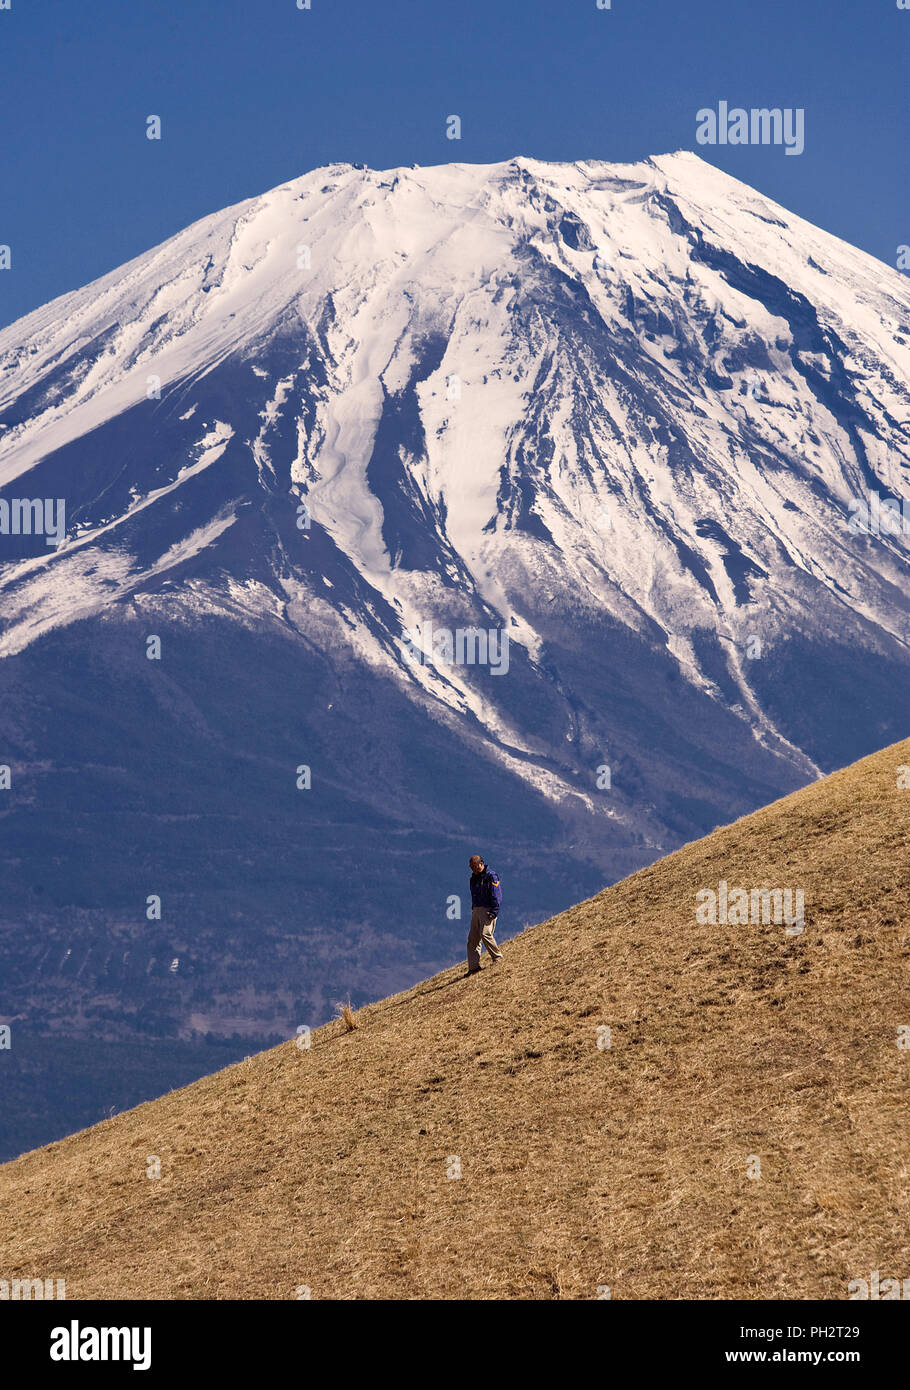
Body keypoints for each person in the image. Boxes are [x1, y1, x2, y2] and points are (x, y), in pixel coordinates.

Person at [466, 854, 503, 974]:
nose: (472, 869)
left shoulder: (491, 876)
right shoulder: (473, 878)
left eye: (474, 866)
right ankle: (473, 967)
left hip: (487, 910)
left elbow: (496, 895)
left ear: (480, 864)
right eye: (471, 867)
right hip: (476, 910)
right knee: (473, 939)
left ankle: (497, 957)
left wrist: (494, 911)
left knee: (485, 934)